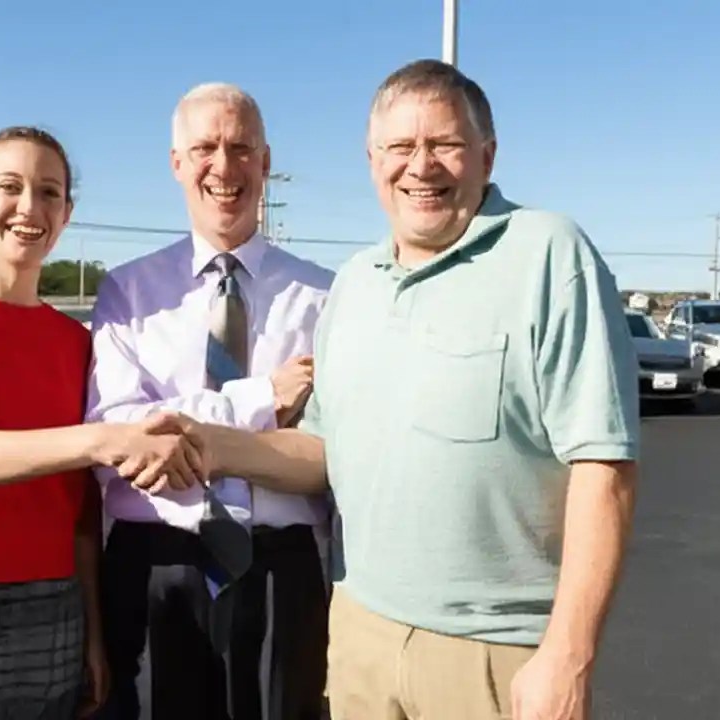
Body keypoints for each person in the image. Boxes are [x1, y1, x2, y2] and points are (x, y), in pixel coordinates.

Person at [170, 59, 642, 720]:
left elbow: (605, 468)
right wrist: (207, 443)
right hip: (359, 634)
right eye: (399, 147)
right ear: (372, 161)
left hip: (494, 652)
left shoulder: (549, 254)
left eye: (444, 144)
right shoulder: (355, 284)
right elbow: (322, 453)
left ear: (487, 154)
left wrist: (568, 655)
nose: (420, 166)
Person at [0, 125, 204, 720]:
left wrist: (93, 636)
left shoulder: (75, 343)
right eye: (10, 187)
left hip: (52, 602)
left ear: (67, 213)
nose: (30, 208)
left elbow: (80, 512)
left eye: (49, 193)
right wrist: (102, 439)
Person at [85, 83, 335, 720]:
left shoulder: (326, 297)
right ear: (176, 163)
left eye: (240, 147)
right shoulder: (128, 292)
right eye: (204, 148)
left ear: (266, 160)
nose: (223, 167)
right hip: (156, 563)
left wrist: (185, 422)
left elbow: (335, 448)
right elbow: (120, 436)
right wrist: (259, 402)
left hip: (284, 569)